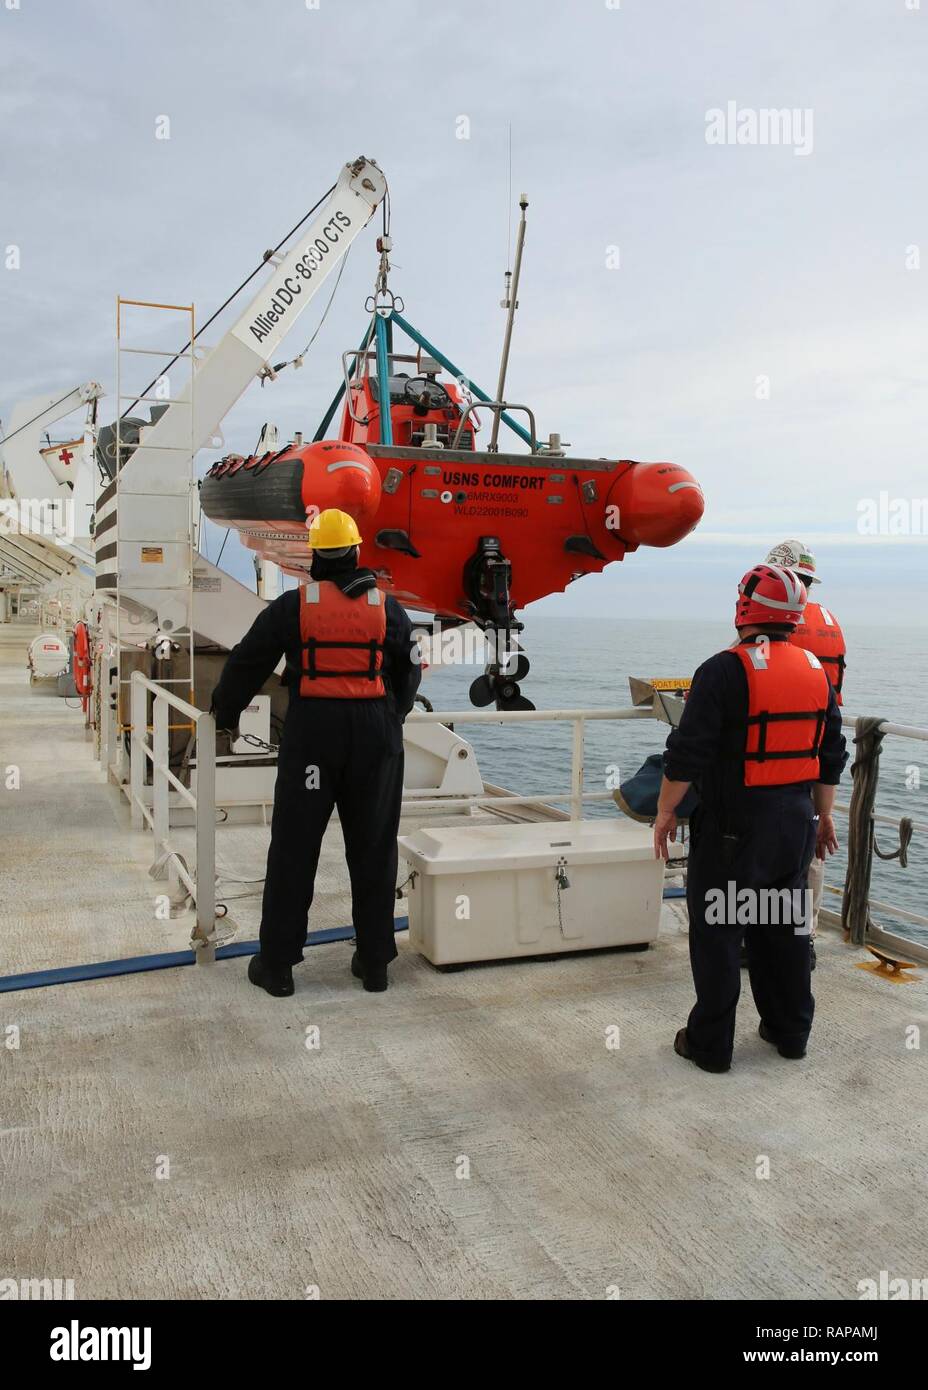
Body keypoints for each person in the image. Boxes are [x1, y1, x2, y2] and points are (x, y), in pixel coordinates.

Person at [210, 508, 422, 998]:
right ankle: (374, 964)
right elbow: (409, 668)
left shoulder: (293, 606)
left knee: (294, 848)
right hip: (373, 738)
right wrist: (393, 714)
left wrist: (223, 713)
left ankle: (279, 966)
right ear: (354, 552)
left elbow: (247, 661)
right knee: (372, 848)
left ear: (316, 556)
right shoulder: (385, 608)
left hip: (313, 739)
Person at [653, 563, 847, 1073]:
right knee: (784, 928)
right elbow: (830, 754)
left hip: (732, 829)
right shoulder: (815, 671)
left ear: (744, 609)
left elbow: (686, 753)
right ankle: (790, 1032)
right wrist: (823, 816)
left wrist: (666, 811)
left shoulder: (721, 670)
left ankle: (711, 1046)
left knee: (718, 931)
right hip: (795, 824)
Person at [765, 539, 846, 965]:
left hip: (777, 755)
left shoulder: (779, 619)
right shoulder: (830, 621)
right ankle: (804, 936)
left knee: (763, 847)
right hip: (820, 750)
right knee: (813, 847)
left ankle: (756, 934)